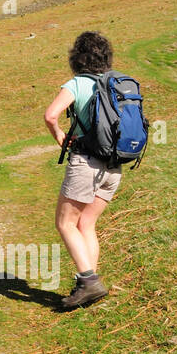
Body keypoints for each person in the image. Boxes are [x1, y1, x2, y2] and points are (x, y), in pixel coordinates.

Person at [42, 31, 120, 309]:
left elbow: (51, 115)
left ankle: (89, 282)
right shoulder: (117, 82)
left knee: (65, 223)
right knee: (86, 223)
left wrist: (59, 136)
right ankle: (88, 285)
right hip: (115, 165)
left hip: (87, 162)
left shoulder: (78, 84)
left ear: (78, 57)